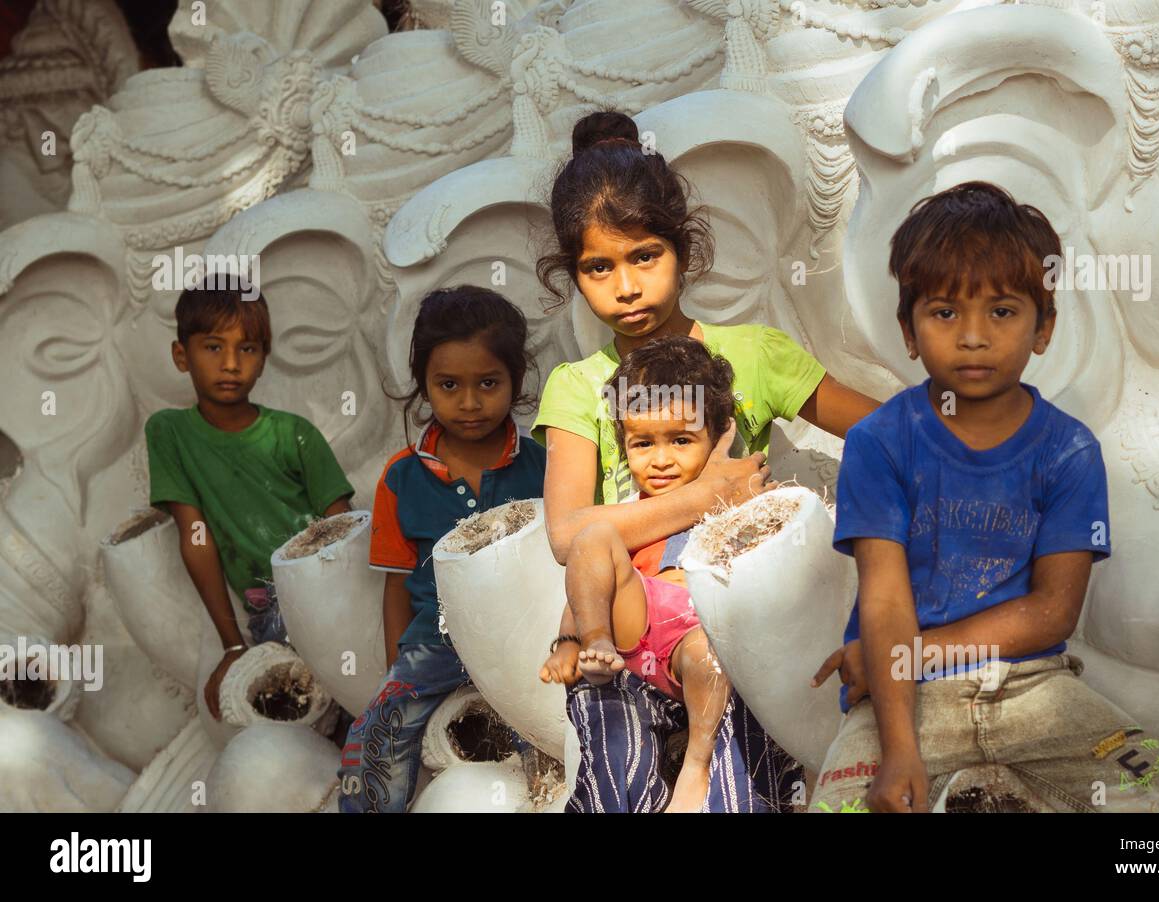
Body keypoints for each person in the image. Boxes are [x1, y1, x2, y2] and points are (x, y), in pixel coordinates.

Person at [809, 181, 1159, 813]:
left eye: (1002, 311)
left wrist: (914, 653)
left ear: (1043, 327)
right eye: (945, 312)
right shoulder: (880, 442)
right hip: (900, 701)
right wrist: (900, 752)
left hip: (1037, 695)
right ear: (909, 331)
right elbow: (885, 598)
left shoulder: (1068, 451)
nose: (974, 337)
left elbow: (1054, 613)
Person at [532, 110, 883, 812]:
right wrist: (706, 495)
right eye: (598, 268)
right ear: (573, 275)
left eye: (644, 257)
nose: (625, 287)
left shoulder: (753, 354)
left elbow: (882, 431)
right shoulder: (574, 387)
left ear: (683, 252)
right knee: (617, 791)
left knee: (738, 796)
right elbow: (569, 535)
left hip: (732, 629)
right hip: (622, 644)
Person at [337, 285, 546, 814]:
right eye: (449, 384)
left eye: (488, 383)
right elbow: (395, 583)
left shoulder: (542, 464)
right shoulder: (401, 478)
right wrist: (397, 672)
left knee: (547, 750)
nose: (470, 402)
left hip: (527, 640)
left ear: (515, 382)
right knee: (375, 739)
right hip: (435, 643)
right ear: (425, 385)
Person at [540, 336, 742, 812]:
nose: (662, 459)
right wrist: (568, 642)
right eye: (643, 443)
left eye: (682, 440)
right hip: (634, 638)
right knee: (593, 536)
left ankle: (697, 765)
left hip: (697, 646)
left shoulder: (732, 509)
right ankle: (597, 642)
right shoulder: (631, 515)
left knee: (707, 652)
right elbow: (588, 583)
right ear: (623, 443)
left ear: (717, 437)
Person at [147, 283, 354, 721]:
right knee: (285, 710)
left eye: (247, 348)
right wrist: (233, 646)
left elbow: (344, 532)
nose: (230, 363)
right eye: (213, 347)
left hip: (329, 598)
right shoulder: (170, 433)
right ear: (181, 355)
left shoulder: (294, 434)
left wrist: (343, 609)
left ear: (263, 357)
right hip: (268, 615)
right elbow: (195, 536)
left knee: (358, 695)